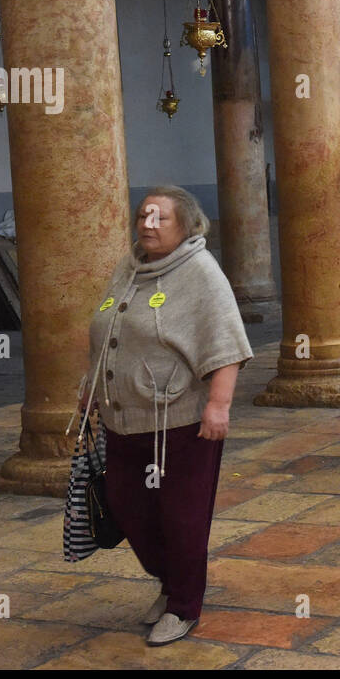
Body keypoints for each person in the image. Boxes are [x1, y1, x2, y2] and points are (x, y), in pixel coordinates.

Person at [83, 186, 252, 647]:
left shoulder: (199, 272)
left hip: (181, 424)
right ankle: (171, 580)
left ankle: (183, 605)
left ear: (187, 225)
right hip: (124, 421)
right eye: (143, 216)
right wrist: (90, 391)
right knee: (127, 508)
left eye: (159, 218)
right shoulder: (131, 266)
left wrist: (219, 405)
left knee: (182, 518)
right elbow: (108, 330)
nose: (147, 225)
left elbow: (225, 345)